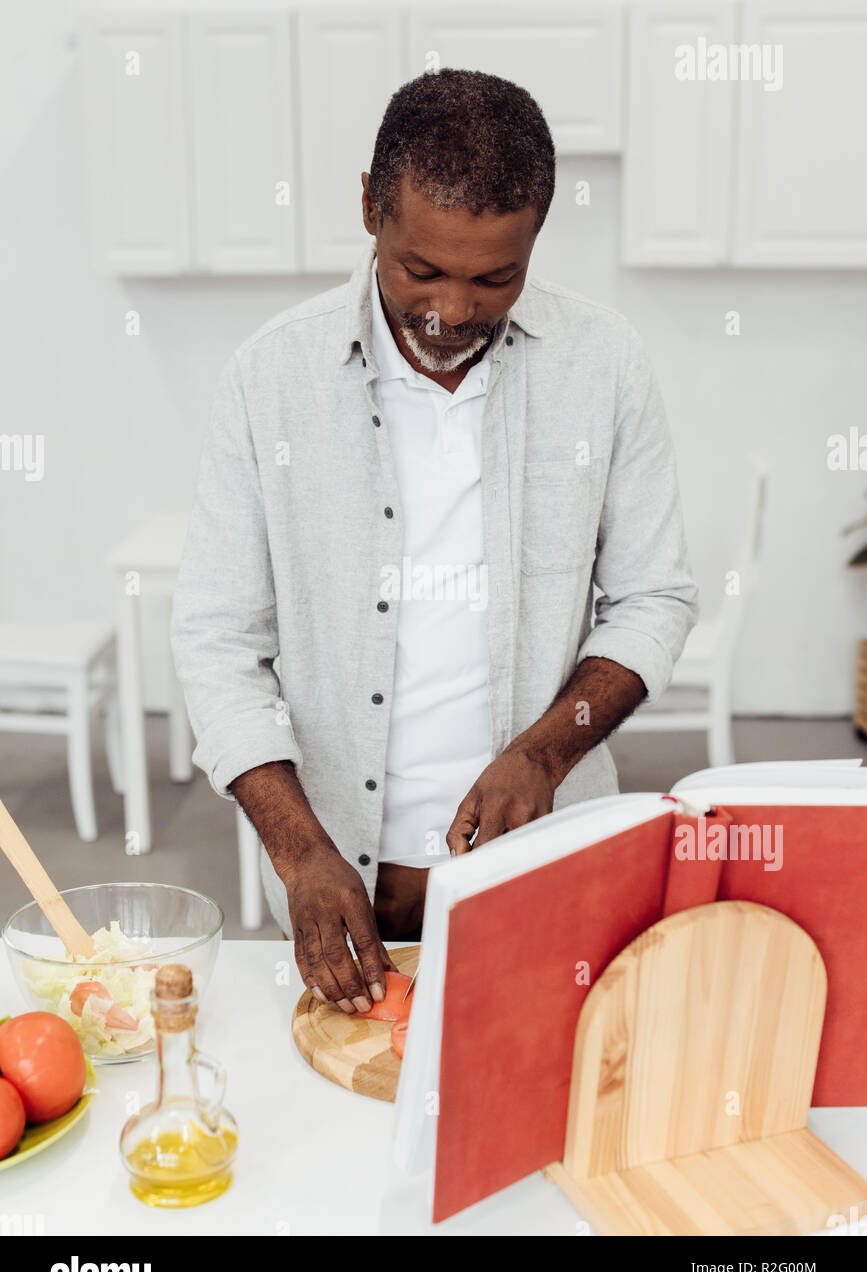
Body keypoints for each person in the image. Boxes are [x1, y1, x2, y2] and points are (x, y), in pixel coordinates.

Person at [171, 69, 699, 1015]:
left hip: (550, 871)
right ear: (370, 211)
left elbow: (653, 597)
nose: (451, 312)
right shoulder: (268, 379)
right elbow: (217, 642)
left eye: (493, 278)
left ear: (536, 237)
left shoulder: (604, 364)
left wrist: (543, 754)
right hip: (342, 895)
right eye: (422, 270)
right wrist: (300, 851)